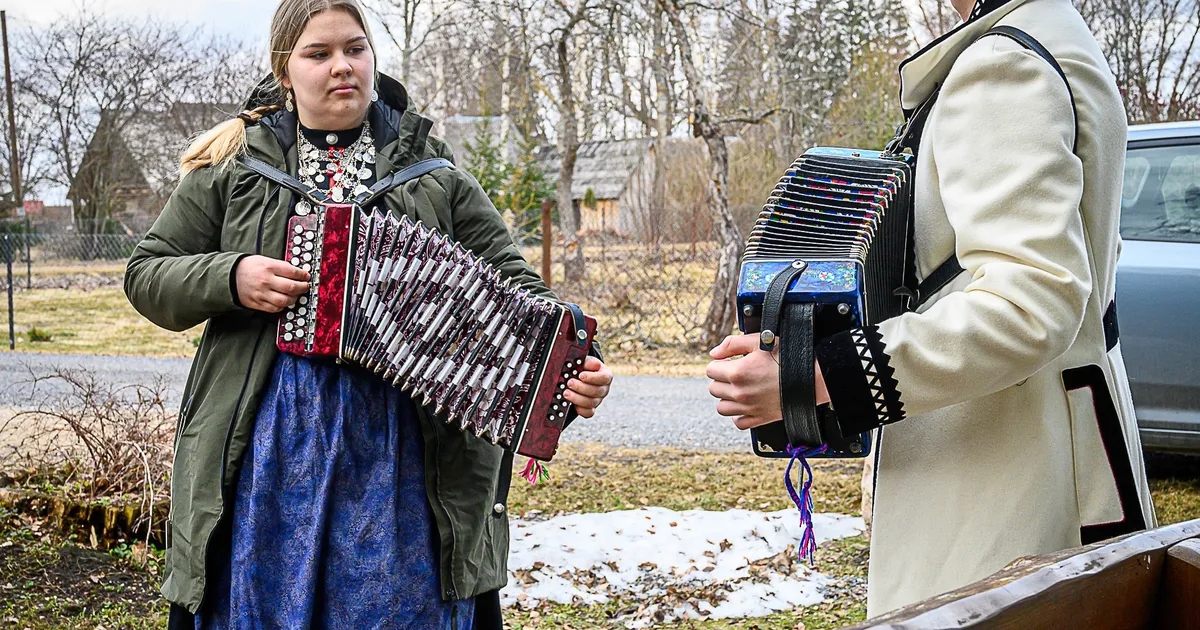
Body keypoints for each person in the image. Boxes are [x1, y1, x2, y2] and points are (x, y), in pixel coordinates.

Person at [124, 1, 613, 627]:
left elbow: (516, 286)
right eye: (319, 53)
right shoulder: (236, 168)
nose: (342, 66)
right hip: (269, 443)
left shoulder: (432, 173)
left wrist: (573, 360)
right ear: (284, 69)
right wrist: (231, 276)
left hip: (404, 446)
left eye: (355, 49)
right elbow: (146, 273)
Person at [706, 0, 1155, 617]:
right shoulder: (1053, 31)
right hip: (1052, 446)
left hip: (1002, 471)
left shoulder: (1002, 63)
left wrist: (816, 373)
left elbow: (1033, 299)